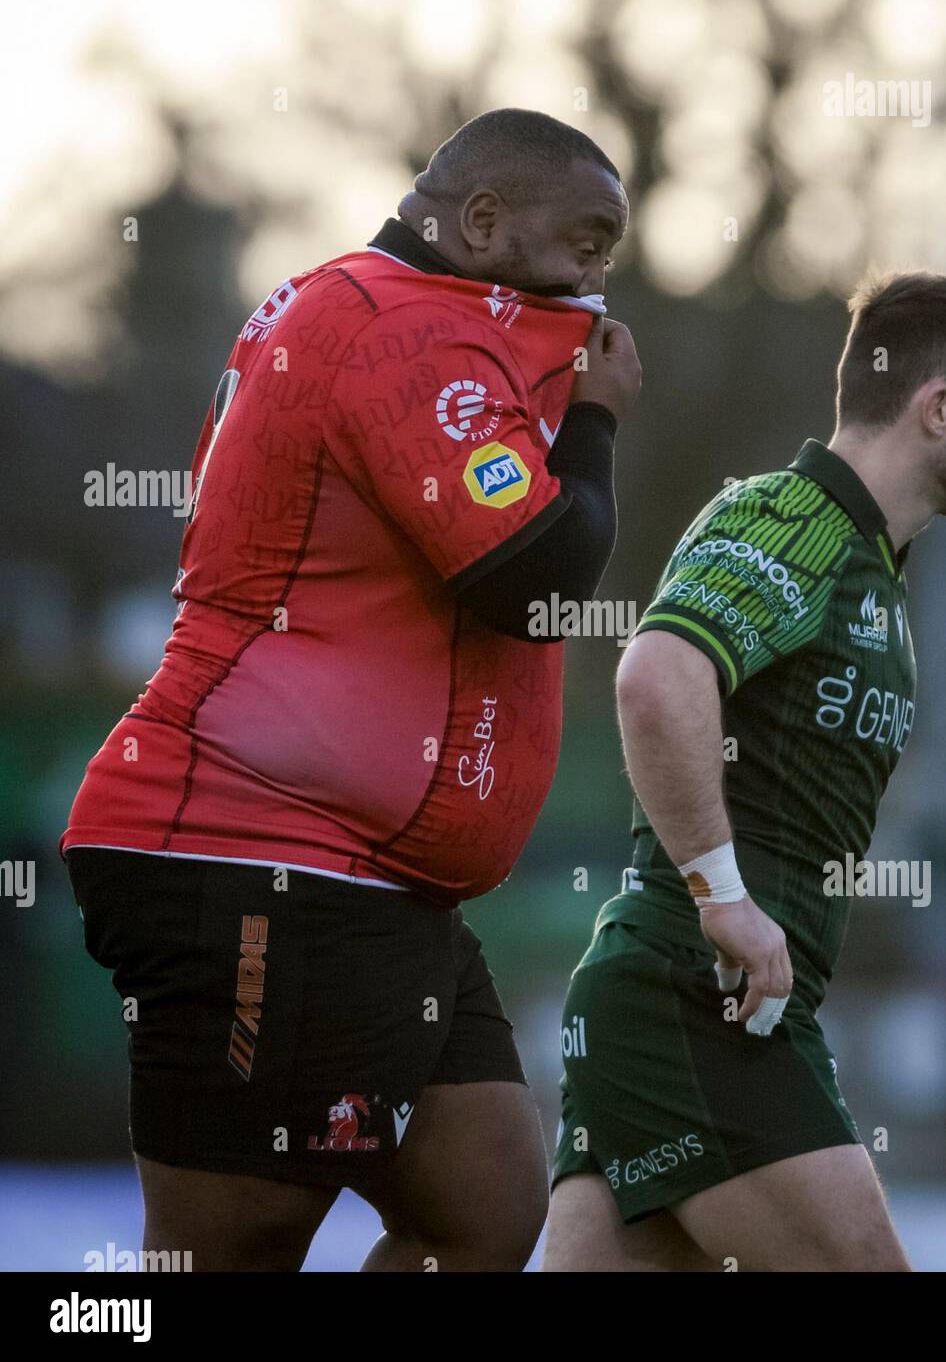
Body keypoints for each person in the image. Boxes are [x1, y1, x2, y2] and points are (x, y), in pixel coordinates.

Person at [61, 108, 640, 1271]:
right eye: (584, 242)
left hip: (375, 881)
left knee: (481, 1208)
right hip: (251, 851)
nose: (596, 281)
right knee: (227, 1252)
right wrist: (596, 420)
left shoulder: (371, 307)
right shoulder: (402, 330)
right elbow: (530, 572)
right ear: (480, 222)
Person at [545, 270, 946, 1271]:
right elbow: (656, 675)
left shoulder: (868, 566)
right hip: (699, 995)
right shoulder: (795, 519)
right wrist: (721, 895)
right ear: (938, 407)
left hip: (673, 1003)